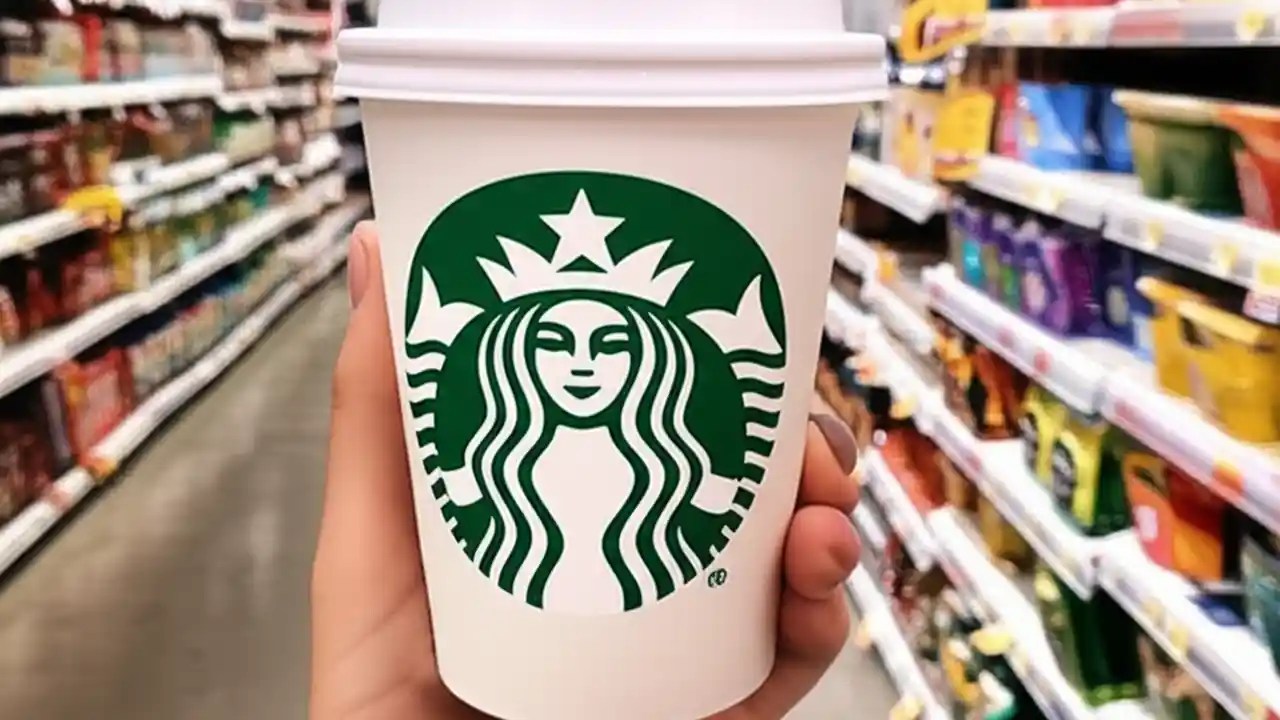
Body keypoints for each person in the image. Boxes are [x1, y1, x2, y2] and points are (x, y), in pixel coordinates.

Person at [311, 223, 862, 719]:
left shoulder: (692, 476)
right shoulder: (484, 471)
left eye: (610, 343)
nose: (582, 363)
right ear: (518, 354)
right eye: (554, 342)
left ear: (649, 357)